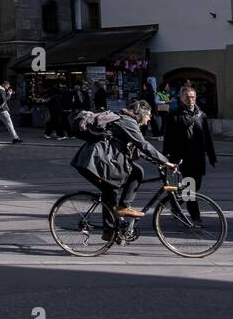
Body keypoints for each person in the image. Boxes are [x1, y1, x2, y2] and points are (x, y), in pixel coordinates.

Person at [72, 98, 177, 221]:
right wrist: (165, 161)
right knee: (136, 172)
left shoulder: (124, 120)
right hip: (95, 162)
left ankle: (110, 232)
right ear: (141, 113)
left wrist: (158, 162)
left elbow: (137, 150)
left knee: (110, 193)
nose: (149, 119)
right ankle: (124, 207)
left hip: (92, 161)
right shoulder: (128, 121)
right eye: (148, 115)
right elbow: (143, 145)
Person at [163, 85, 216, 220]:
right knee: (190, 188)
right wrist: (168, 158)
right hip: (184, 158)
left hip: (198, 157)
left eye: (192, 97)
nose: (190, 99)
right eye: (187, 97)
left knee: (195, 186)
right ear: (181, 98)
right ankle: (195, 218)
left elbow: (207, 136)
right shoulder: (174, 116)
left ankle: (176, 203)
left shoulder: (201, 115)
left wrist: (211, 156)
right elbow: (168, 138)